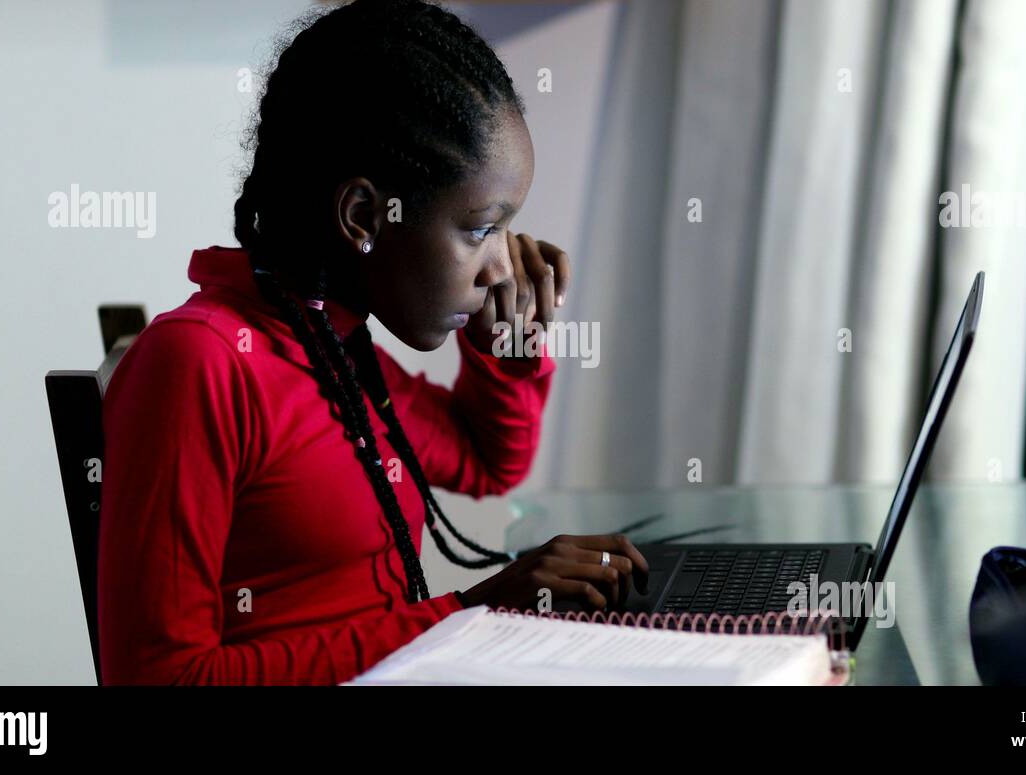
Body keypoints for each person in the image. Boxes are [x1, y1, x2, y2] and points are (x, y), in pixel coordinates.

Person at [98, 0, 647, 685]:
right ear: (364, 216)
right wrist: (468, 614)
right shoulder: (202, 362)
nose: (502, 266)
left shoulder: (333, 349)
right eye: (479, 229)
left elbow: (484, 461)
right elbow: (160, 677)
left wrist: (507, 349)